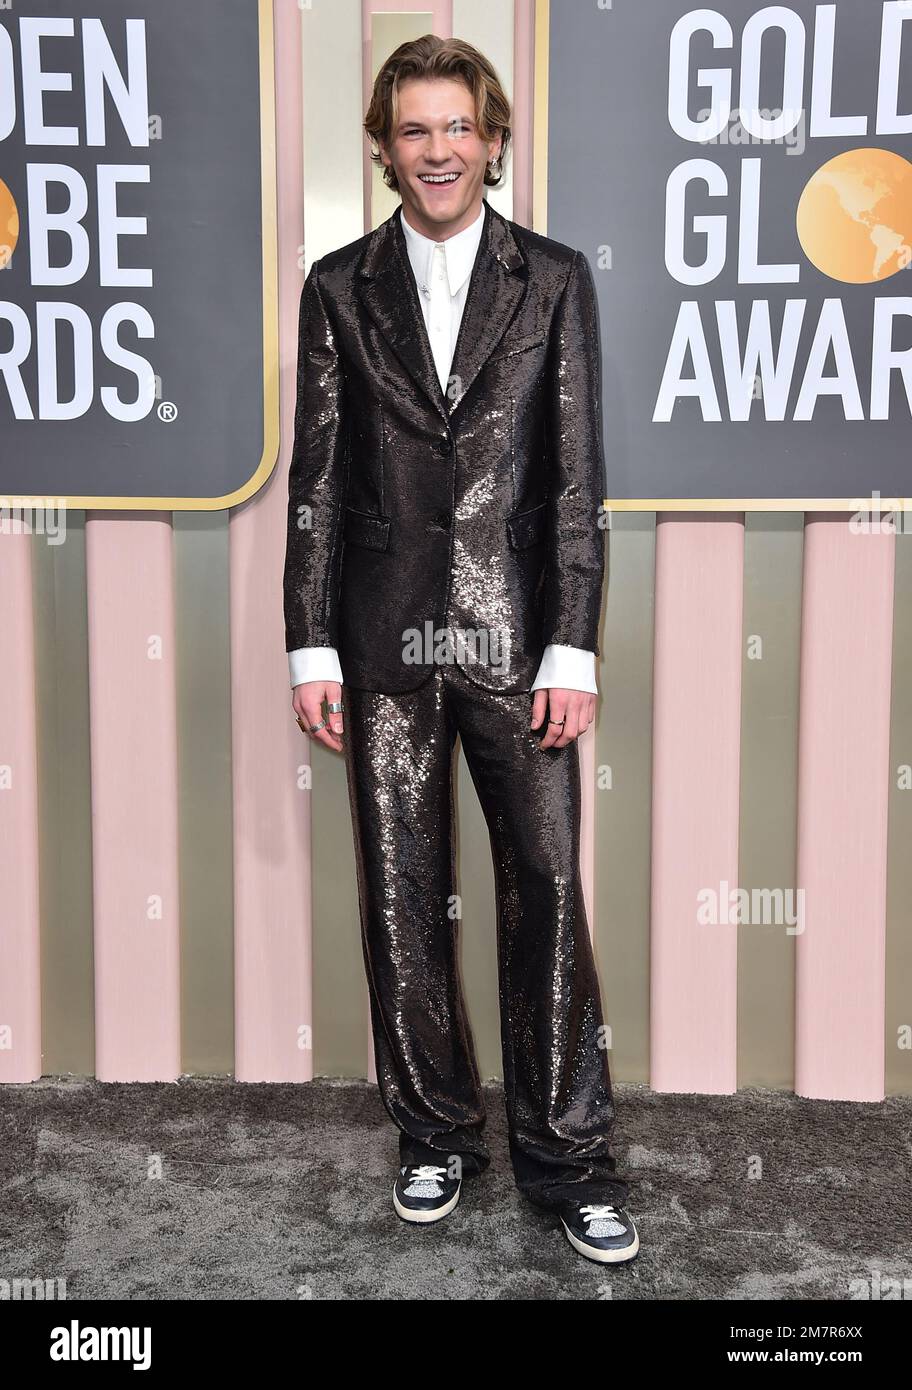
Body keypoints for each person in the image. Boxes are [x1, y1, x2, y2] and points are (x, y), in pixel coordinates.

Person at [283, 33, 637, 1265]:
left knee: (544, 886)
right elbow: (316, 487)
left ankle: (568, 1156)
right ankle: (432, 1131)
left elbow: (578, 479)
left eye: (459, 128)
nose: (439, 151)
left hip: (514, 640)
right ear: (385, 149)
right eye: (415, 130)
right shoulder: (337, 287)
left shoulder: (552, 280)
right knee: (399, 894)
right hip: (380, 646)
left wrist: (572, 646)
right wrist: (309, 643)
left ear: (493, 140)